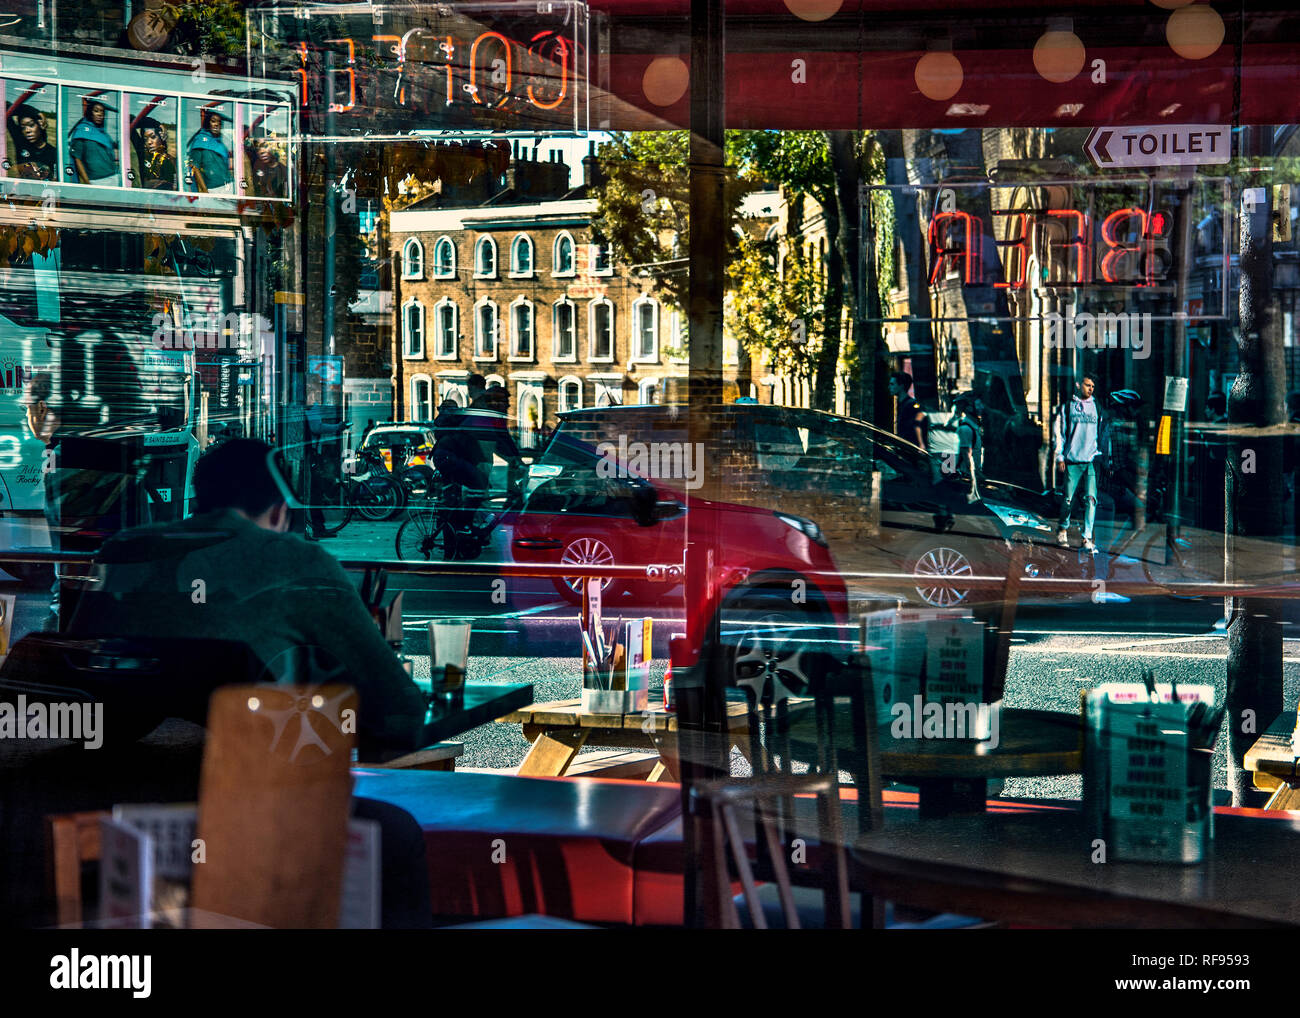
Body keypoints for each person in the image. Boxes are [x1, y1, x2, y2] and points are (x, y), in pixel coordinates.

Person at [66, 439, 433, 927]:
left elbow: (73, 673)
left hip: (95, 808)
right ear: (281, 510)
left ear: (198, 497)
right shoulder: (293, 560)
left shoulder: (122, 550)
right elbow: (397, 711)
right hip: (243, 810)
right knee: (399, 832)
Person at [1053, 372, 1111, 554]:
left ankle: (1086, 537)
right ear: (1079, 385)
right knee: (1068, 499)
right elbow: (1059, 433)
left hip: (1092, 461)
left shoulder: (1098, 408)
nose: (1090, 389)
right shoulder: (1068, 407)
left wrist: (1105, 457)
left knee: (1091, 500)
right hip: (1073, 460)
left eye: (1093, 386)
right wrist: (1059, 457)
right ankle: (1062, 528)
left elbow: (1104, 434)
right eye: (1087, 385)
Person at [69, 96, 118, 184]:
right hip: (96, 181)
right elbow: (77, 159)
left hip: (114, 177)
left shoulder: (104, 135)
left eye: (102, 112)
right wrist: (87, 183)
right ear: (90, 112)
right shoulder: (81, 131)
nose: (100, 114)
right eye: (96, 111)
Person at [6, 102, 56, 180]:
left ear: (41, 125)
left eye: (31, 125)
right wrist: (36, 112)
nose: (27, 130)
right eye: (23, 127)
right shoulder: (21, 143)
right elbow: (5, 107)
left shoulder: (53, 153)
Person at [187, 106, 231, 192]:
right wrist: (205, 190)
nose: (216, 124)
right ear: (208, 123)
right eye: (213, 121)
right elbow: (194, 167)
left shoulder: (221, 144)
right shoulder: (200, 140)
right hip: (211, 189)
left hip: (227, 187)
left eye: (219, 122)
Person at [951, 392, 983, 503]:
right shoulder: (966, 429)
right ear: (969, 408)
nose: (981, 408)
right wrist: (977, 475)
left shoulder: (973, 428)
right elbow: (966, 455)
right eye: (977, 405)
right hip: (966, 480)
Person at [130, 115, 176, 190]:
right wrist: (156, 124)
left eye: (153, 137)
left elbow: (172, 188)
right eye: (145, 139)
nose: (149, 142)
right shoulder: (141, 156)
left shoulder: (168, 161)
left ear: (162, 137)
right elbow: (129, 120)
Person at [889, 370, 929, 451]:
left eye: (892, 384)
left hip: (911, 453)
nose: (889, 387)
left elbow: (914, 432)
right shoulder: (902, 405)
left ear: (901, 386)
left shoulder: (910, 406)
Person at [244, 129, 287, 198]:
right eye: (257, 148)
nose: (261, 151)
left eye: (265, 146)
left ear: (274, 147)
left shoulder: (284, 169)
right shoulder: (257, 167)